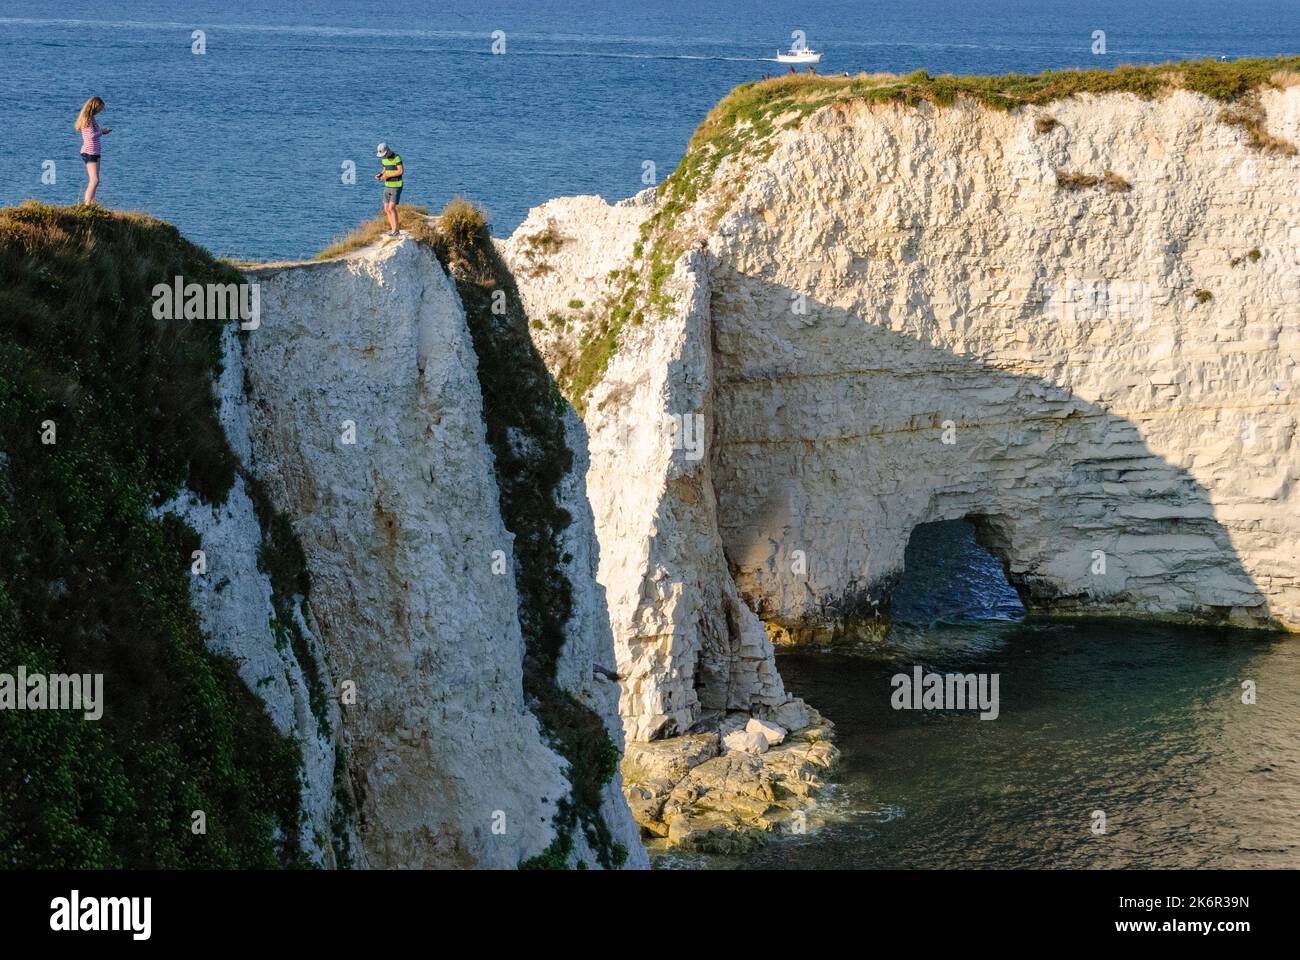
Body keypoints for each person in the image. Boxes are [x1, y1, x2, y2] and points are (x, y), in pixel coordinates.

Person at [74, 97, 111, 205]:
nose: (100, 111)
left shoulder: (91, 118)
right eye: (99, 109)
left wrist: (100, 131)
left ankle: (91, 202)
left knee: (95, 180)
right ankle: (87, 204)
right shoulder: (87, 119)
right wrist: (102, 132)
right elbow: (90, 136)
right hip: (89, 152)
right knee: (94, 180)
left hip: (94, 152)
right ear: (94, 106)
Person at [374, 142, 404, 236]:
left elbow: (400, 171)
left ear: (387, 151)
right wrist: (381, 175)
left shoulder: (397, 157)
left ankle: (396, 231)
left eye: (384, 154)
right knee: (386, 208)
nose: (383, 156)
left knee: (391, 208)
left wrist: (387, 175)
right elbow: (384, 170)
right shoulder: (384, 159)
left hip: (396, 185)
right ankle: (393, 230)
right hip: (387, 185)